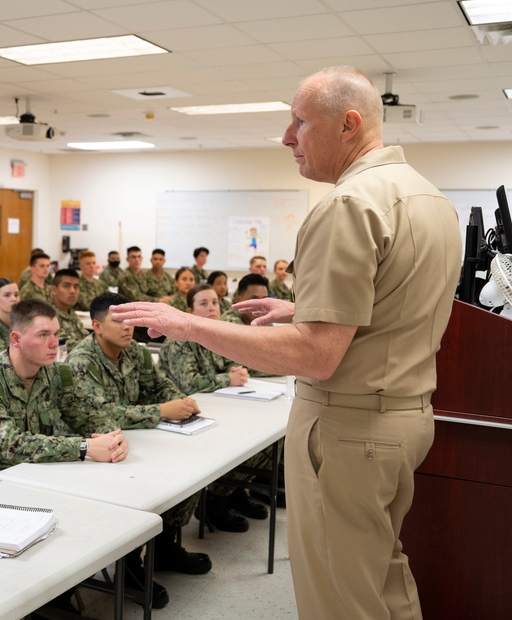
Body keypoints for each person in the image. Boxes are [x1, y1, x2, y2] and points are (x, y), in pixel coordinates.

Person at [112, 66, 462, 620]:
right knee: (381, 579)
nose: (285, 137)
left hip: (349, 429)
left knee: (339, 600)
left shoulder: (348, 205)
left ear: (348, 125)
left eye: (299, 121)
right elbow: (399, 306)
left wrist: (189, 324)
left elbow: (316, 356)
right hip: (403, 420)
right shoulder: (428, 199)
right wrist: (306, 309)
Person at [67, 292, 212, 584]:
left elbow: (160, 386)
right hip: (99, 449)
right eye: (117, 320)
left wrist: (180, 402)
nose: (127, 327)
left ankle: (164, 549)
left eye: (130, 320)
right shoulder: (81, 361)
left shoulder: (135, 351)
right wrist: (161, 411)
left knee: (190, 467)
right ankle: (129, 565)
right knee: (140, 487)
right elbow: (101, 414)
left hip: (139, 439)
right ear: (96, 326)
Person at [0, 299, 128, 497]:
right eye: (43, 335)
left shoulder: (55, 373)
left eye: (56, 334)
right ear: (16, 339)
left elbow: (89, 416)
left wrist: (113, 439)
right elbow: (12, 446)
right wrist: (85, 447)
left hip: (32, 470)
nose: (54, 343)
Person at [159, 284, 249, 394]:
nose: (212, 308)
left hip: (211, 397)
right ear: (190, 312)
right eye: (204, 304)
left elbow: (230, 362)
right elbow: (188, 384)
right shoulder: (180, 339)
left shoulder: (219, 334)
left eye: (215, 302)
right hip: (177, 402)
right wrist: (228, 378)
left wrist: (236, 371)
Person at [48, 268, 87, 346]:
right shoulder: (48, 316)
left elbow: (86, 337)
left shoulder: (71, 313)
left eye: (76, 287)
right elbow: (64, 345)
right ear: (54, 290)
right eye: (66, 286)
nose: (72, 291)